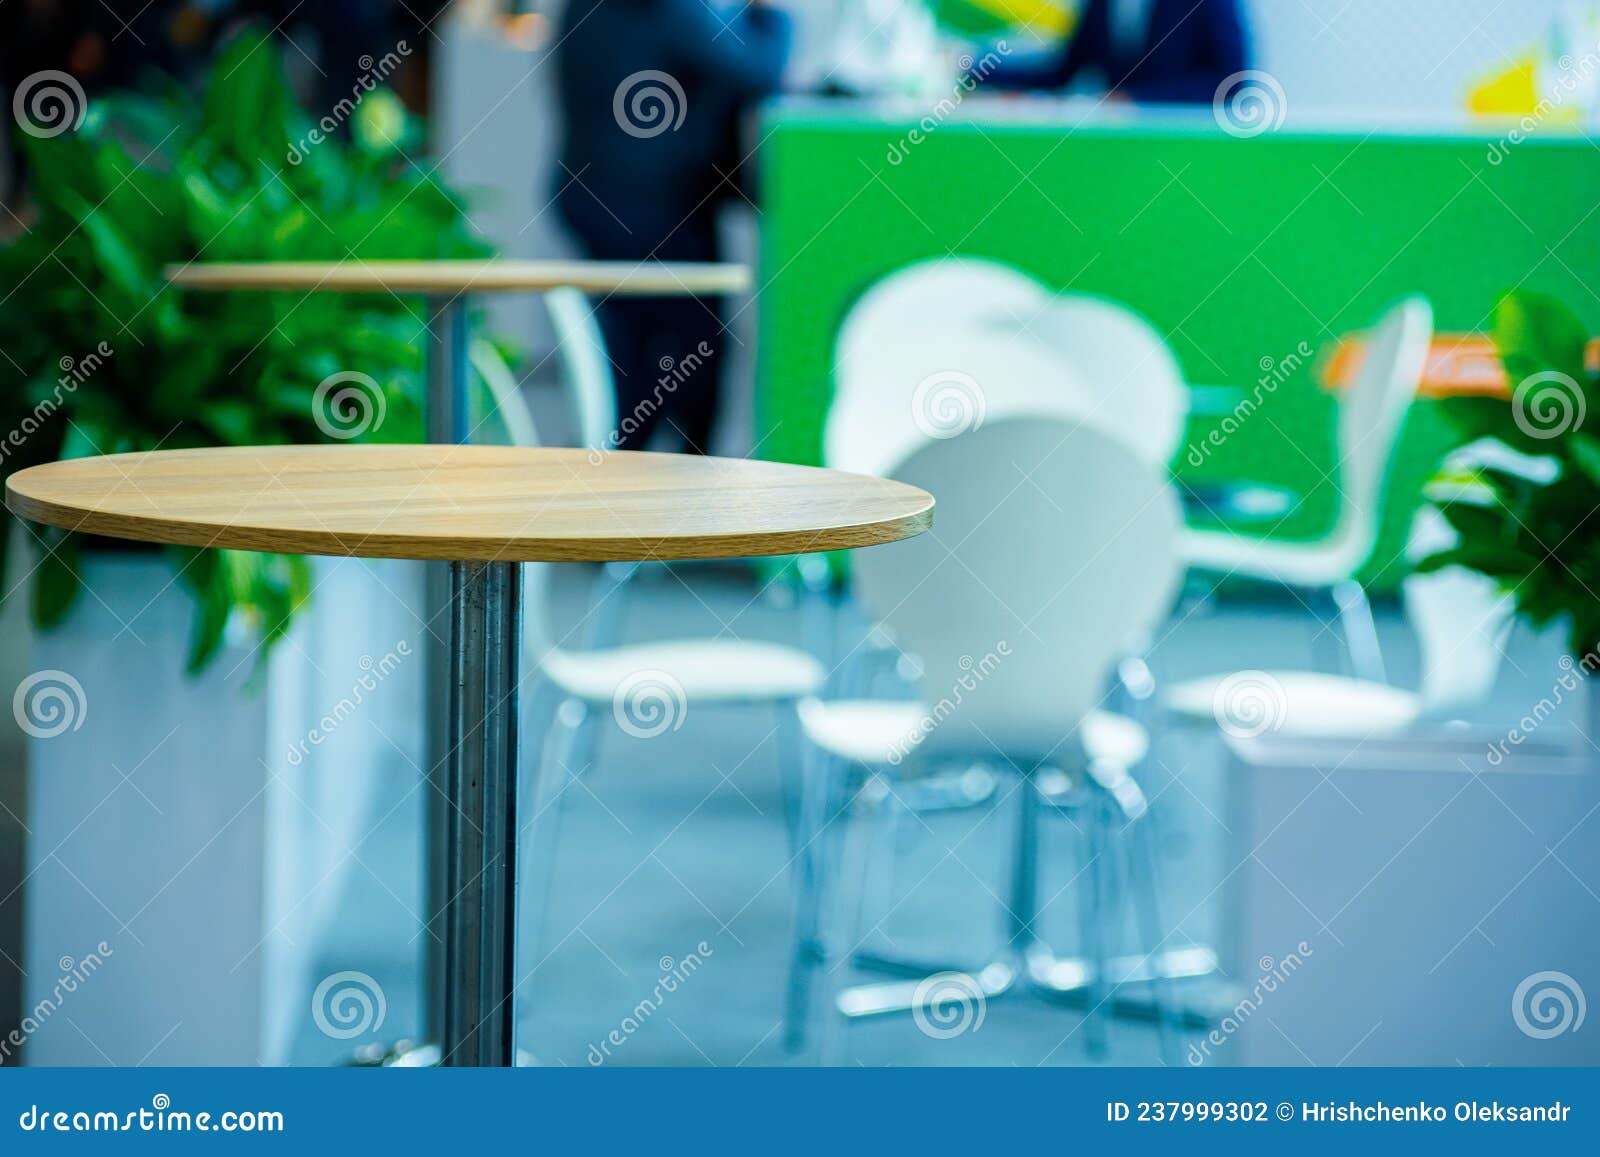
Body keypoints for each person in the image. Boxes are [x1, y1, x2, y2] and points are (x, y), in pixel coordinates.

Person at [552, 0, 792, 453]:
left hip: (598, 205)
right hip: (658, 214)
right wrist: (771, 12)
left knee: (633, 358)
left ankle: (627, 477)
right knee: (692, 358)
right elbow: (760, 69)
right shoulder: (669, 12)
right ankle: (684, 485)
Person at [981, 0, 1249, 104]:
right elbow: (1063, 72)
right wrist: (975, 72)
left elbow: (1231, 83)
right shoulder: (1102, 4)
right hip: (1116, 153)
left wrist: (1134, 99)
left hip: (1187, 149)